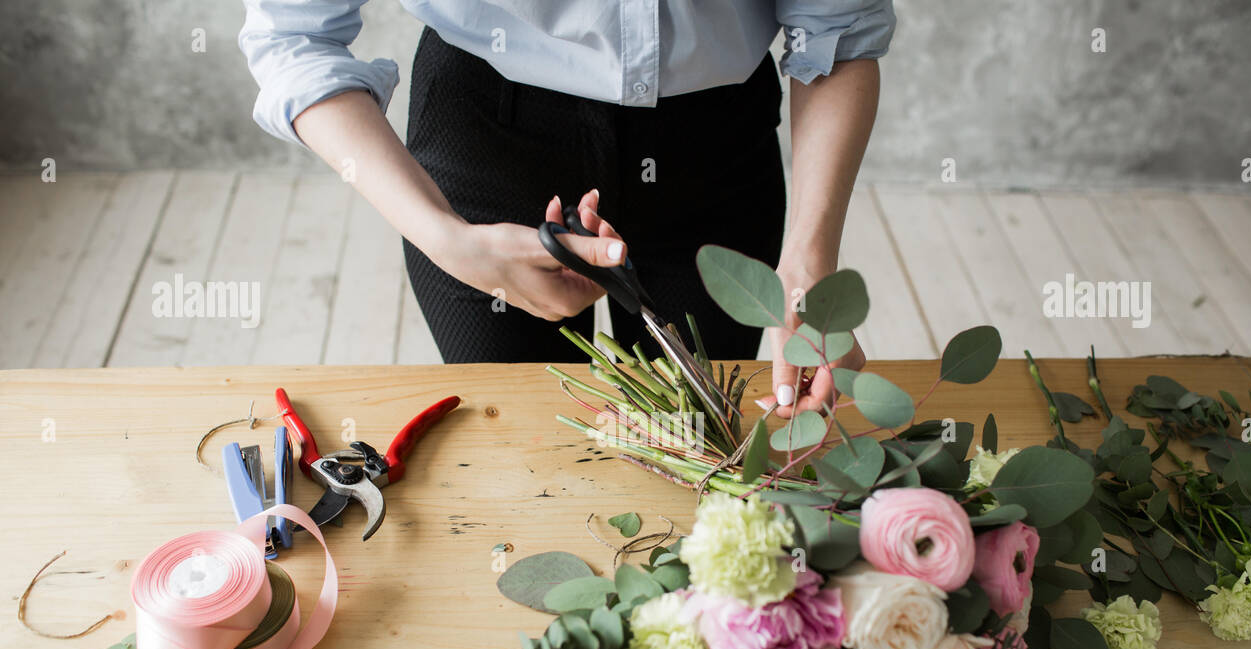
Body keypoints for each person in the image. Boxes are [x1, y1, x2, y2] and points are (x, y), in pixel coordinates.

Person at [239, 1, 894, 418]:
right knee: (523, 450)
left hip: (715, 157)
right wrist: (446, 238)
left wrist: (808, 264)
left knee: (696, 439)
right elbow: (294, 40)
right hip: (487, 141)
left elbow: (837, 36)